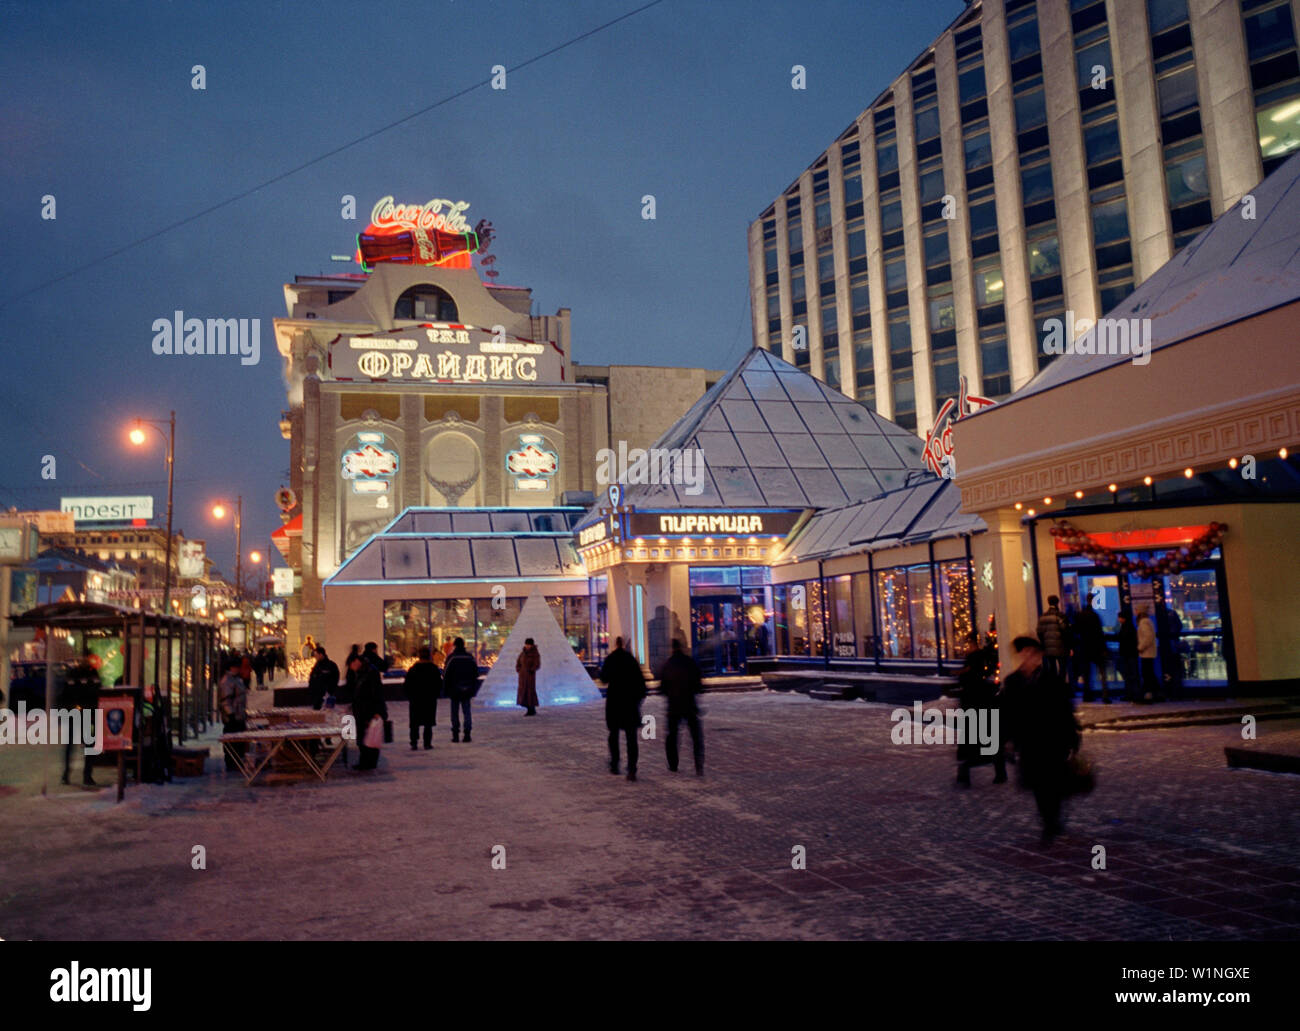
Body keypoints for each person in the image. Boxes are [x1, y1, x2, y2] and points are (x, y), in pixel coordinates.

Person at [1000, 635, 1080, 845]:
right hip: (1028, 742)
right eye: (1024, 653)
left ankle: (1051, 821)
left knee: (1051, 782)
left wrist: (1072, 738)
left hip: (1051, 740)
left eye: (1032, 653)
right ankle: (1049, 821)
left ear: (1039, 656)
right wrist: (1007, 739)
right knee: (1038, 784)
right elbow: (1007, 713)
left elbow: (1065, 711)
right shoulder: (1013, 681)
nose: (1028, 657)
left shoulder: (1051, 680)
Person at [955, 633, 1006, 787]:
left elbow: (968, 675)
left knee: (975, 740)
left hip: (975, 703)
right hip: (982, 702)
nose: (966, 647)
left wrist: (960, 675)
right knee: (989, 739)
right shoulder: (983, 658)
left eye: (969, 644)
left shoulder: (974, 660)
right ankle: (999, 771)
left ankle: (966, 774)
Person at [600, 636, 647, 781]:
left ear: (616, 644)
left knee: (613, 735)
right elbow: (641, 684)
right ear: (624, 645)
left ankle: (615, 764)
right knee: (631, 738)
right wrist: (637, 701)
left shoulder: (611, 659)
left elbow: (603, 678)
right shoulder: (630, 660)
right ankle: (632, 769)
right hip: (629, 703)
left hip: (615, 703)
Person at [657, 638, 704, 776]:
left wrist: (670, 693)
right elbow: (698, 684)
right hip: (689, 704)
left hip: (674, 706)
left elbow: (662, 688)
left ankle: (673, 764)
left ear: (671, 648)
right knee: (695, 736)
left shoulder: (668, 664)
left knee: (672, 736)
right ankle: (698, 763)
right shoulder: (689, 662)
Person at [60, 650, 100, 787]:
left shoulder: (90, 673)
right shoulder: (76, 673)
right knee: (72, 746)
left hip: (86, 714)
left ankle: (86, 775)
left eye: (87, 659)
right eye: (84, 658)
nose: (85, 661)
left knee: (87, 745)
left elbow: (96, 692)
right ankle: (68, 774)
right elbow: (66, 693)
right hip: (76, 714)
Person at [349, 653, 388, 771]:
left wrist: (378, 711)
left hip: (369, 710)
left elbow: (377, 693)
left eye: (351, 664)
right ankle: (364, 762)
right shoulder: (361, 673)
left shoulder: (371, 673)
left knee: (370, 736)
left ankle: (369, 763)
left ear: (357, 661)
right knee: (363, 737)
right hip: (361, 710)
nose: (351, 667)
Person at [442, 638, 479, 743]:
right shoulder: (469, 657)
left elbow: (445, 674)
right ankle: (467, 734)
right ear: (464, 645)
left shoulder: (452, 658)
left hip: (454, 689)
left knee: (454, 712)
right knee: (466, 711)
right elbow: (475, 673)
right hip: (467, 688)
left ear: (454, 645)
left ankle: (455, 735)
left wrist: (446, 687)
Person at [405, 646, 442, 750]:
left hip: (415, 700)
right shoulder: (433, 669)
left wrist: (410, 696)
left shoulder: (413, 669)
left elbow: (407, 685)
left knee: (414, 722)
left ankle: (414, 742)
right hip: (429, 699)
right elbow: (438, 684)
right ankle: (427, 743)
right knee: (428, 722)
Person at [1073, 599, 1108, 703]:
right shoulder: (1095, 616)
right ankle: (1105, 696)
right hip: (1096, 646)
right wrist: (1103, 647)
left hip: (1085, 647)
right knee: (1102, 672)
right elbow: (1100, 632)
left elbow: (1076, 631)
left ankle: (1087, 695)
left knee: (1086, 673)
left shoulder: (1079, 616)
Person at [218, 658, 249, 773]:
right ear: (232, 668)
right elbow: (225, 700)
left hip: (238, 715)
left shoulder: (236, 679)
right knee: (232, 741)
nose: (239, 668)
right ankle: (231, 763)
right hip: (232, 717)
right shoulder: (227, 680)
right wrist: (230, 714)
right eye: (237, 666)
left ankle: (237, 761)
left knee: (239, 741)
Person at [1035, 596, 1068, 681]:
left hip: (1048, 648)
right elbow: (1065, 630)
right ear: (1057, 603)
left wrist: (1045, 642)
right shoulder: (1060, 616)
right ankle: (1061, 687)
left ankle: (1054, 688)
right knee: (1062, 668)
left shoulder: (1043, 617)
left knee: (1052, 669)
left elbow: (1039, 632)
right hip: (1061, 647)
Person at [1137, 606, 1160, 702]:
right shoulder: (1148, 622)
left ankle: (1149, 695)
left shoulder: (1143, 623)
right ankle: (1157, 693)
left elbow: (1147, 637)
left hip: (1146, 652)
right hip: (1149, 652)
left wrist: (1140, 647)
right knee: (1149, 674)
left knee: (1147, 674)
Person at [307, 646, 340, 710]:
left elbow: (335, 679)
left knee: (327, 713)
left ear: (321, 654)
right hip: (316, 695)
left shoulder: (331, 665)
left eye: (316, 655)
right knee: (317, 713)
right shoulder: (317, 665)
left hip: (326, 695)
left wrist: (330, 691)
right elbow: (312, 677)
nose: (315, 657)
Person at [1117, 609, 1139, 701]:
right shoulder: (1130, 626)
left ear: (1123, 618)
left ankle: (1131, 694)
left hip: (1128, 654)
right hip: (1131, 653)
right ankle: (1133, 694)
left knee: (1129, 674)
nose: (1118, 619)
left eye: (1119, 617)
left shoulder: (1125, 627)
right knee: (1132, 674)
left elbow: (1123, 639)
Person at [516, 638, 540, 716]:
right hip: (522, 676)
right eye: (526, 644)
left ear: (532, 645)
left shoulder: (535, 653)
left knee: (530, 692)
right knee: (523, 692)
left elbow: (537, 664)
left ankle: (531, 709)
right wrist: (519, 669)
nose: (527, 646)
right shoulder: (523, 653)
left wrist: (531, 670)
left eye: (529, 644)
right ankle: (528, 708)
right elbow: (518, 661)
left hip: (530, 677)